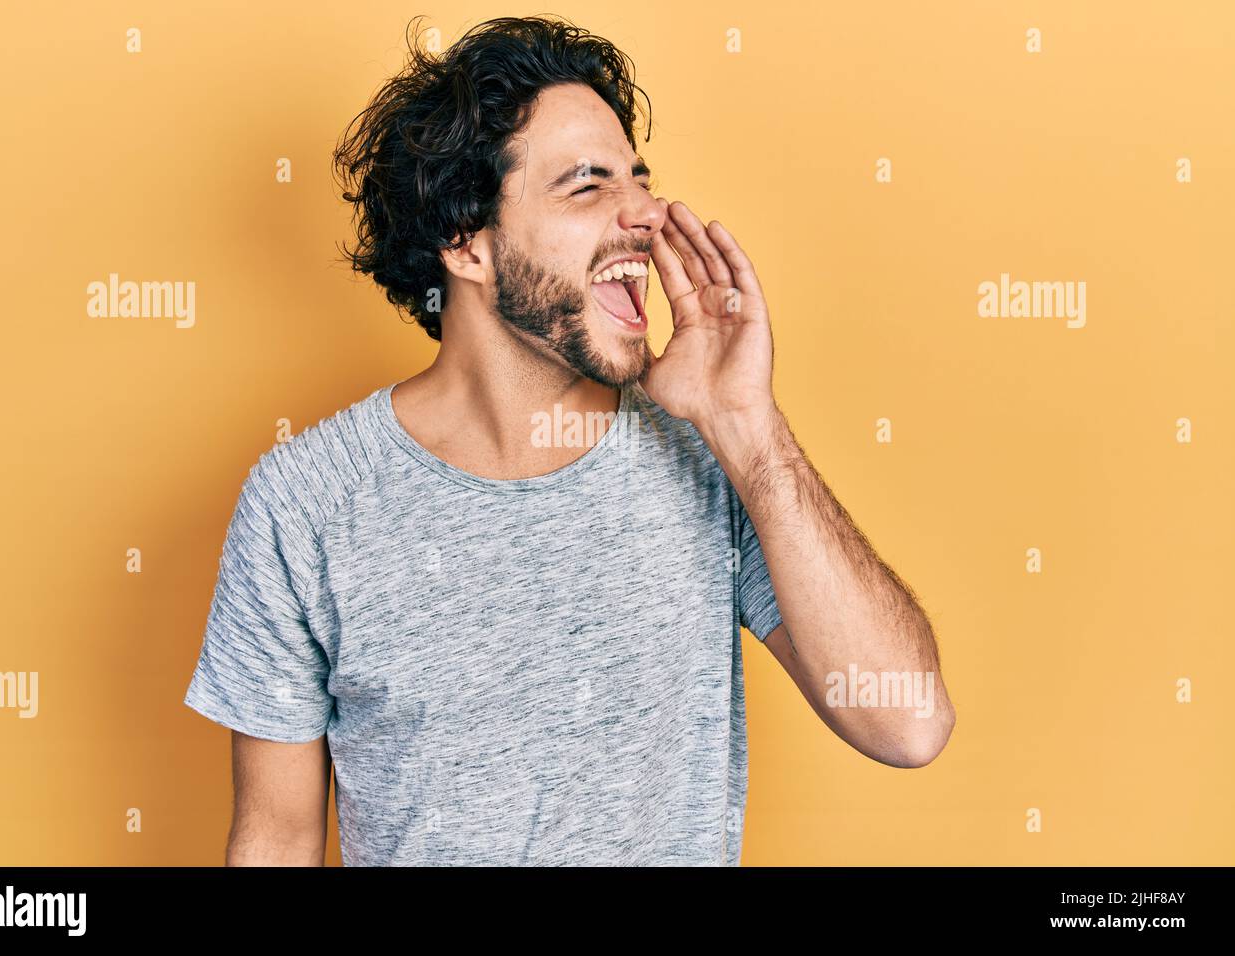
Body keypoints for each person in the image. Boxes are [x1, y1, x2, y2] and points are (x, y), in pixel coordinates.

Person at [184, 15, 955, 866]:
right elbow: (277, 839)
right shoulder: (305, 503)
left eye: (639, 179)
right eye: (588, 187)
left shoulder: (711, 455)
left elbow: (908, 725)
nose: (648, 216)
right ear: (466, 243)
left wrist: (749, 426)